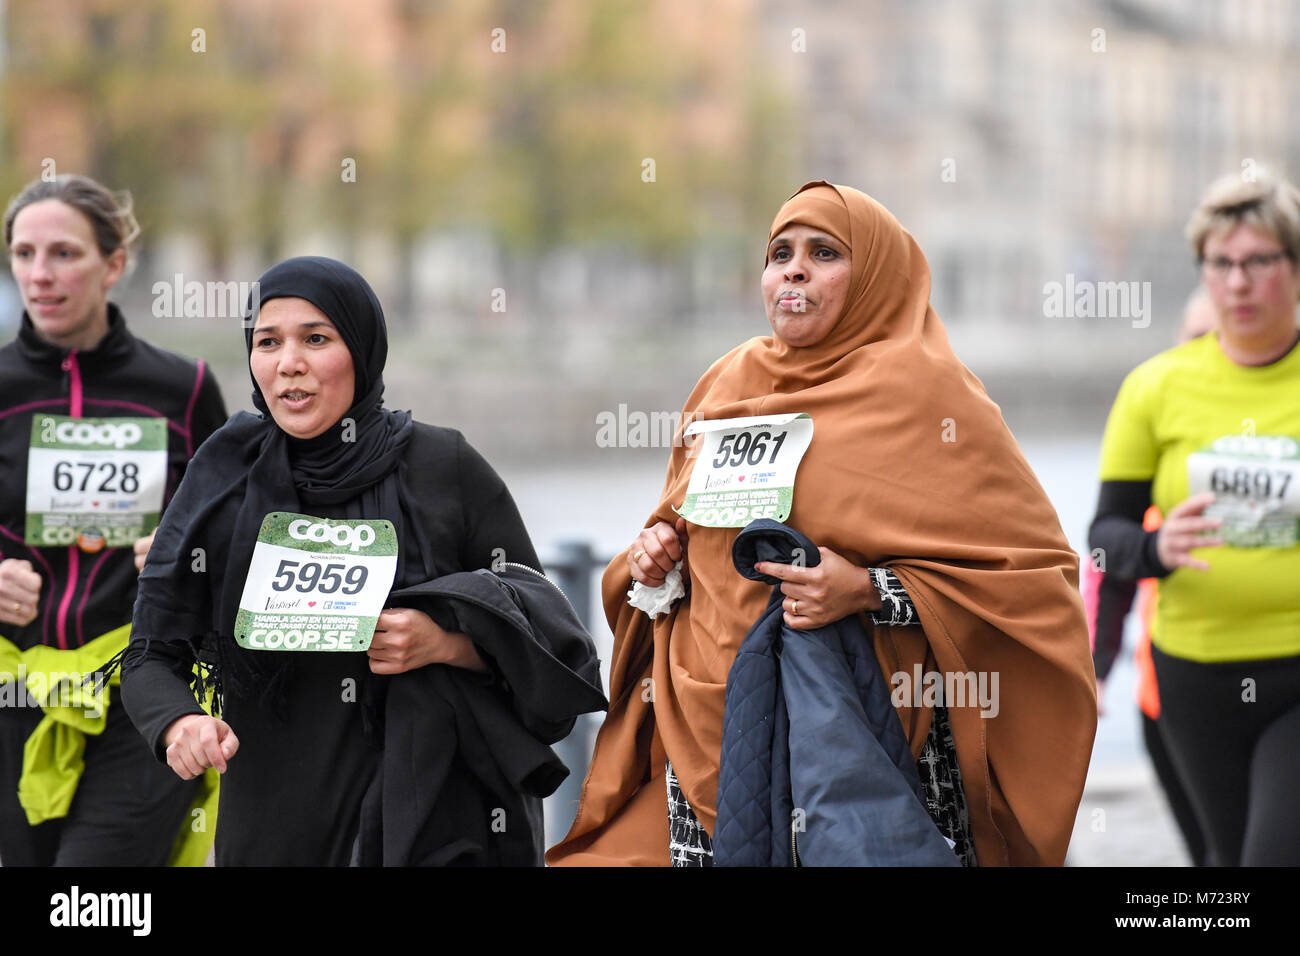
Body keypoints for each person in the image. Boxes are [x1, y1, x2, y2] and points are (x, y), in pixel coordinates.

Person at [548, 181, 1097, 867]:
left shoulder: (931, 394)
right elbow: (684, 539)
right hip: (709, 740)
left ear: (873, 278)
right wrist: (655, 560)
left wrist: (868, 590)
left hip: (872, 743)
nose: (794, 269)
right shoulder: (730, 380)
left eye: (824, 252)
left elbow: (1030, 578)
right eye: (780, 253)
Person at [118, 256, 605, 866]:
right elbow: (148, 656)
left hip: (440, 815)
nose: (288, 362)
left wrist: (445, 642)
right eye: (267, 342)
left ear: (363, 348)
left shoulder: (441, 465)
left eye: (315, 339)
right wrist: (179, 723)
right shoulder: (224, 475)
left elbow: (556, 650)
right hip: (276, 824)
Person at [0, 174, 228, 866]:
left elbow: (229, 534)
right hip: (12, 691)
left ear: (114, 264)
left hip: (141, 687)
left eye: (64, 253)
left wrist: (184, 551)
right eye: (23, 254)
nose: (40, 274)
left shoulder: (183, 388)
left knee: (93, 900)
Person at [1089, 171, 1300, 866]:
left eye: (1258, 262)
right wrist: (1155, 548)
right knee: (1226, 861)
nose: (1237, 283)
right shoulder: (1155, 387)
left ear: (1293, 268)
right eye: (1221, 264)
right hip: (1193, 675)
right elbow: (1104, 538)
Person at [1087, 286, 1216, 866]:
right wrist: (1092, 675)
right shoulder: (1161, 452)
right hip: (1167, 696)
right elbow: (1107, 566)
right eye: (1193, 338)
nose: (1205, 352)